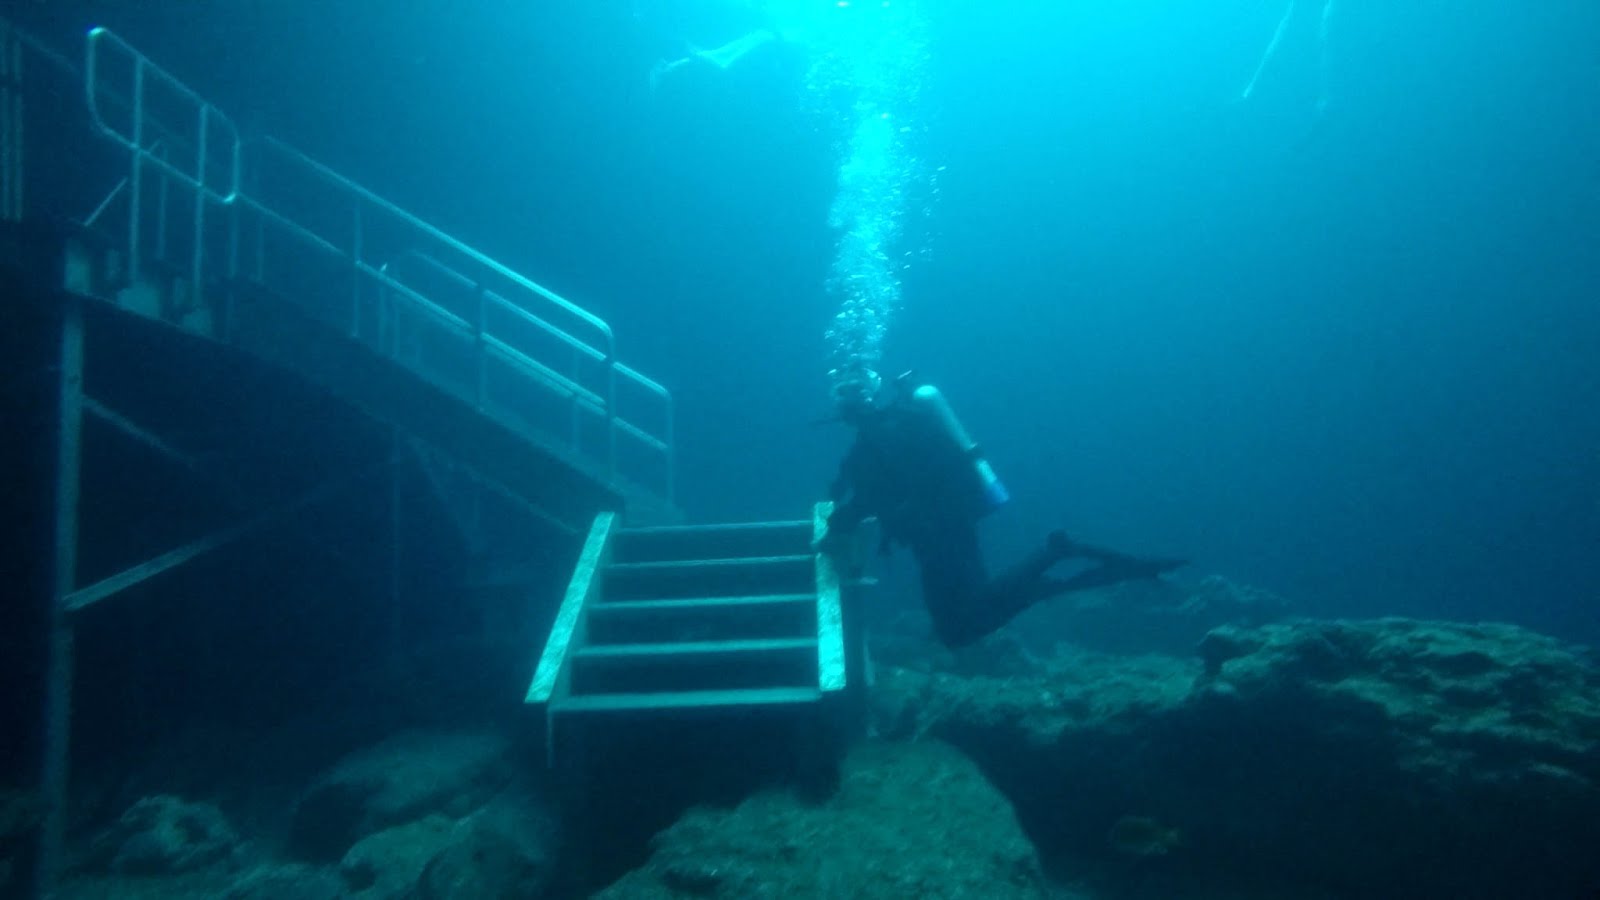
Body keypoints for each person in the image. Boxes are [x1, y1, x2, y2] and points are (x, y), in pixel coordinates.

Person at [817, 368, 1184, 649]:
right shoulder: (907, 423)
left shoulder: (867, 451)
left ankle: (1052, 558)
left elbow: (867, 500)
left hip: (938, 537)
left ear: (843, 415)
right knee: (965, 621)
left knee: (958, 629)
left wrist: (835, 525)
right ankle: (1050, 567)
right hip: (953, 525)